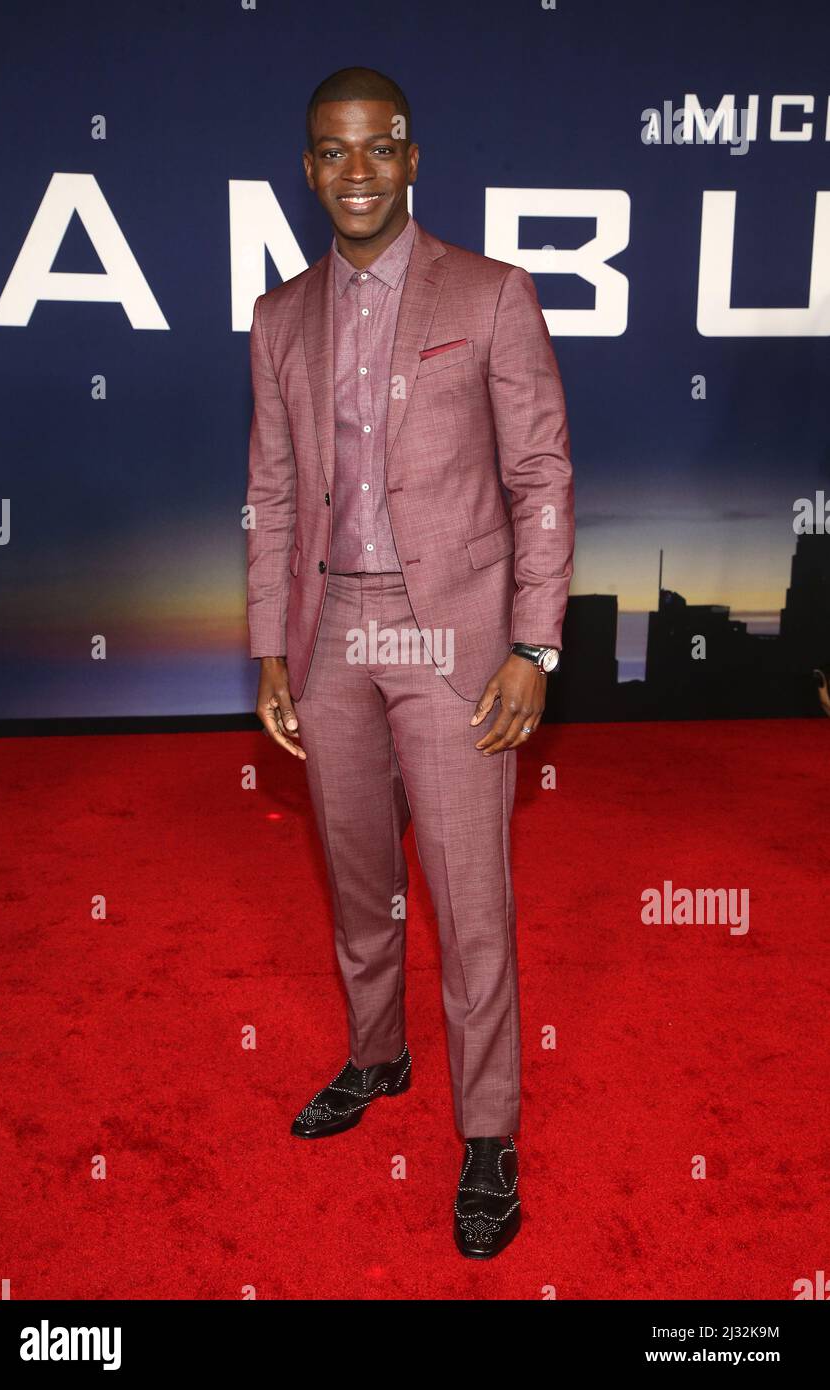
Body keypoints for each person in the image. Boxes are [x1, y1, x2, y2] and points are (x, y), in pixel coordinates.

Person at [245, 65, 574, 1258]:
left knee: (467, 894)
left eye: (375, 147)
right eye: (330, 152)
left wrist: (534, 641)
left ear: (411, 155)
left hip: (452, 633)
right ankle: (375, 1057)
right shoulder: (279, 316)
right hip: (330, 626)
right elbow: (273, 493)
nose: (355, 171)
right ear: (309, 167)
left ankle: (487, 1134)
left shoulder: (488, 293)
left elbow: (539, 476)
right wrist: (270, 644)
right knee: (352, 875)